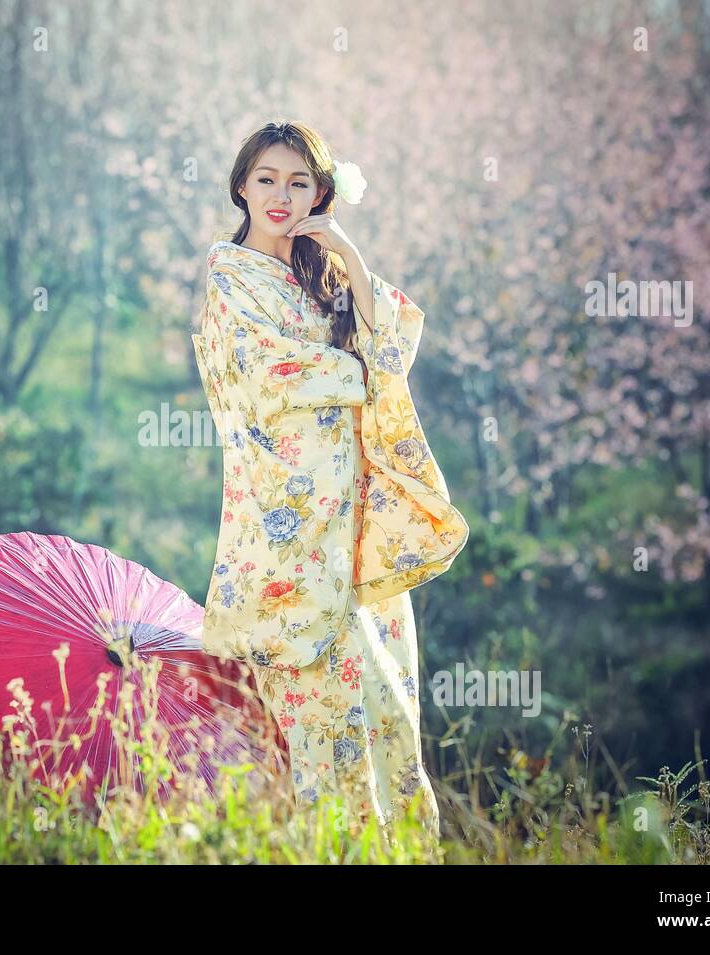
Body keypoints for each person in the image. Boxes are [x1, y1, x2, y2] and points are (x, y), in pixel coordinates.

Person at [190, 120, 470, 847]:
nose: (280, 196)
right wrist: (357, 372)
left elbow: (393, 343)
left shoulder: (328, 275)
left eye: (298, 182)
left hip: (352, 521)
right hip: (287, 531)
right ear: (241, 186)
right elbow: (267, 376)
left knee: (387, 714)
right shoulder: (230, 276)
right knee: (328, 723)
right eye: (266, 179)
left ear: (321, 193)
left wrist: (349, 253)